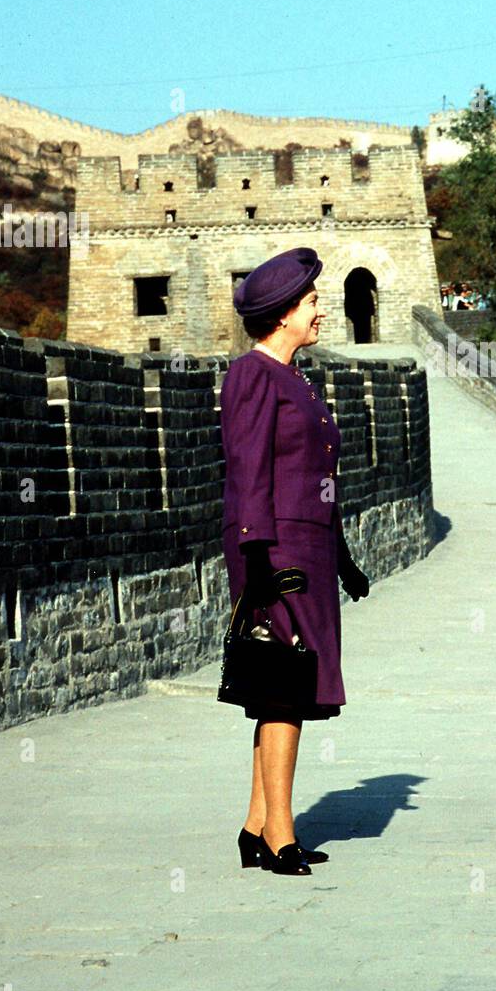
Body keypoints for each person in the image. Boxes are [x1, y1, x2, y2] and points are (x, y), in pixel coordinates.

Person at [221, 248, 371, 876]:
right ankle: (282, 834)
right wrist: (255, 555)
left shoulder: (296, 378)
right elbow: (247, 468)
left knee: (282, 684)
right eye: (311, 302)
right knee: (283, 689)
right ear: (283, 314)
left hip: (307, 546)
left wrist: (343, 558)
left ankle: (256, 826)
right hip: (276, 549)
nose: (320, 310)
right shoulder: (253, 375)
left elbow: (316, 478)